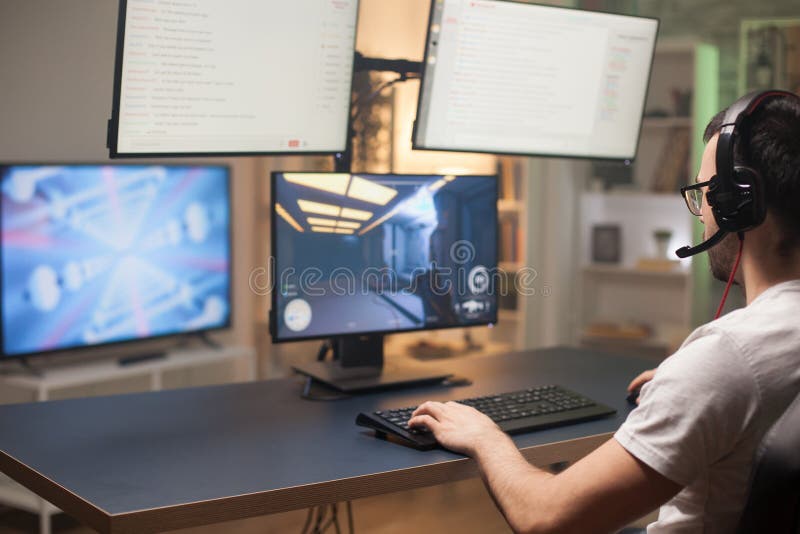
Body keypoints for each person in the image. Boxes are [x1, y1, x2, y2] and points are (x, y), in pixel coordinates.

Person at [409, 91, 800, 534]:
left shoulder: (726, 361)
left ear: (739, 204)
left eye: (706, 194)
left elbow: (545, 518)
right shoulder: (730, 366)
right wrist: (688, 385)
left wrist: (484, 437)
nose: (702, 215)